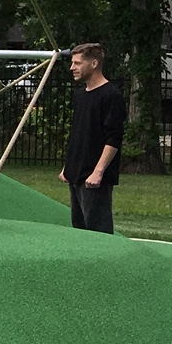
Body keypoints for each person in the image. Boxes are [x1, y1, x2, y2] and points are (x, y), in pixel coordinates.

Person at [59, 41, 125, 233]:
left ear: (94, 63)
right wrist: (68, 167)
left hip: (94, 178)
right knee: (79, 231)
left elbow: (113, 138)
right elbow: (79, 134)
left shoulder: (111, 95)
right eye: (72, 63)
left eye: (77, 63)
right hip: (77, 174)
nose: (72, 68)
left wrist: (98, 172)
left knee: (98, 231)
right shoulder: (81, 95)